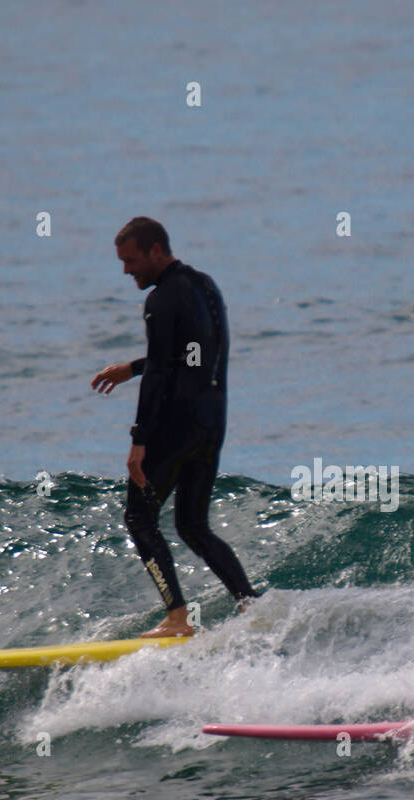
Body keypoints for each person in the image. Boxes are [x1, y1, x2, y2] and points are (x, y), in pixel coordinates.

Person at [91, 217, 259, 637]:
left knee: (138, 518)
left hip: (176, 426)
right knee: (192, 525)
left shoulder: (161, 300)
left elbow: (162, 374)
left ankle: (177, 618)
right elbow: (192, 355)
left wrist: (139, 441)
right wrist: (132, 367)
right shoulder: (204, 287)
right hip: (211, 424)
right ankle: (251, 607)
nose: (126, 270)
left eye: (131, 261)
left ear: (155, 250)